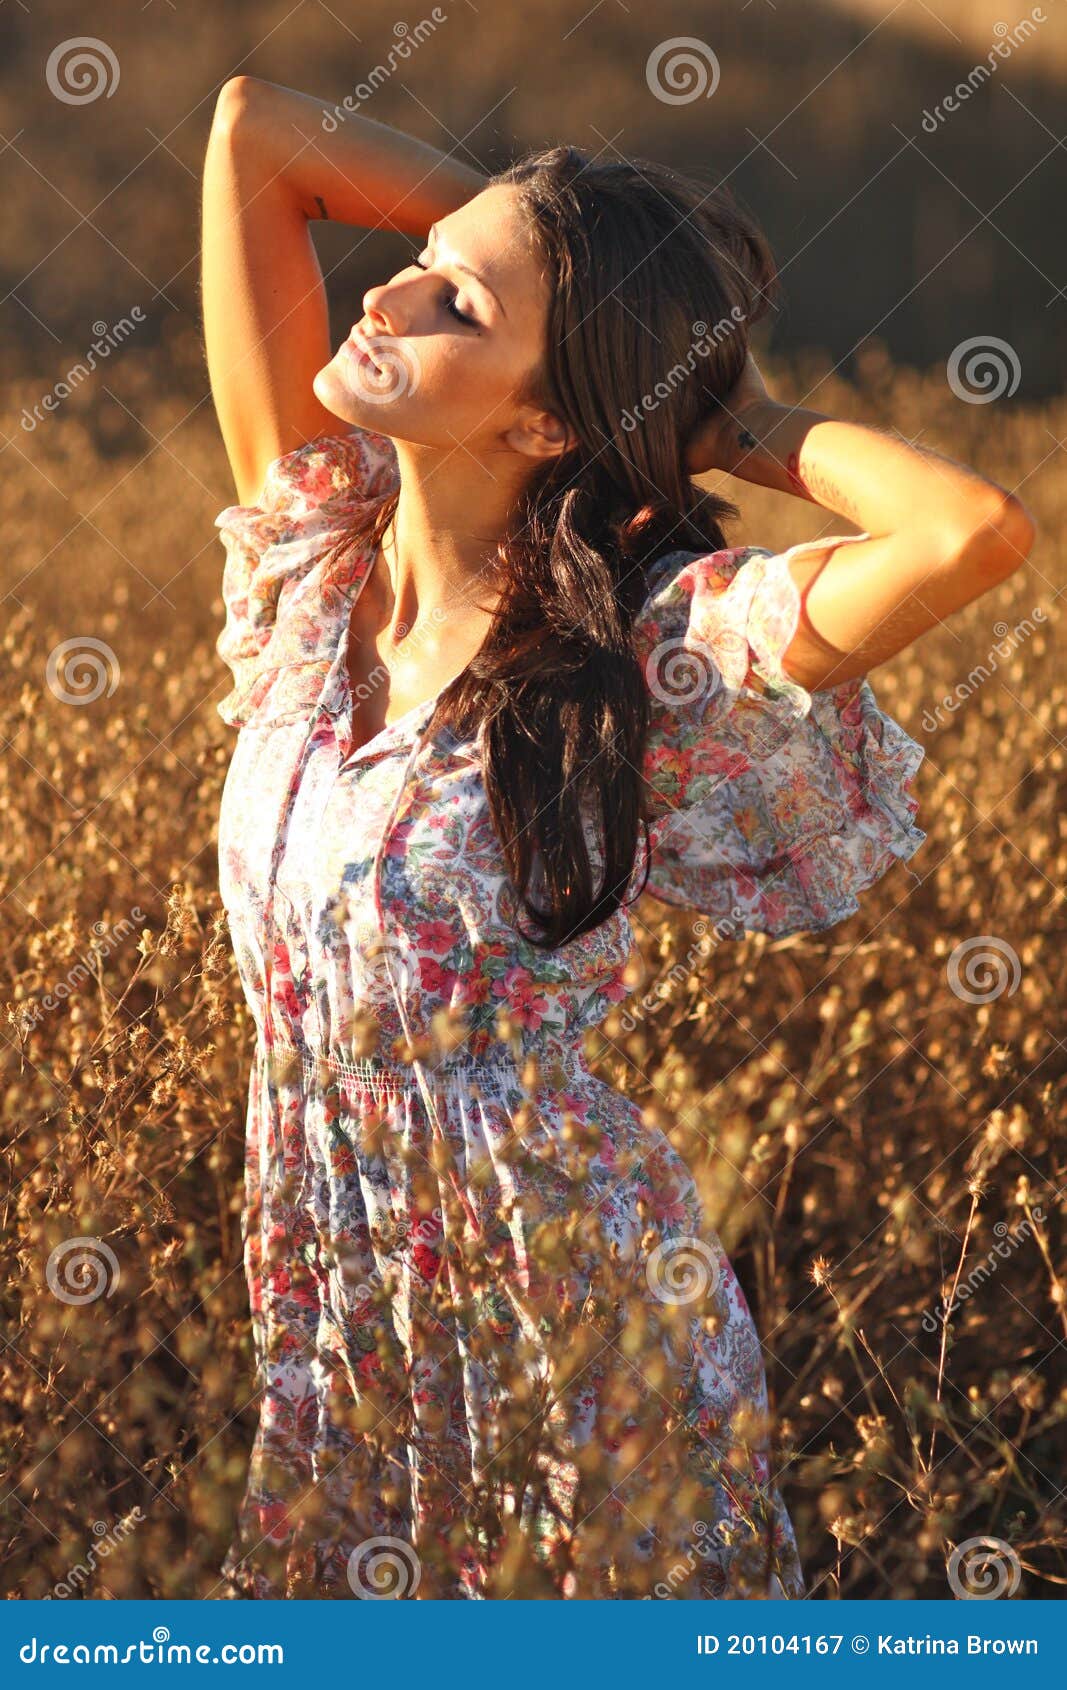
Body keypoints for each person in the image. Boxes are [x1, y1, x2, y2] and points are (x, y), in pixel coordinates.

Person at [201, 76, 1035, 1600]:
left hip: (576, 1335)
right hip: (336, 1321)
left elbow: (968, 530)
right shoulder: (311, 561)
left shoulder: (653, 655)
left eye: (447, 299)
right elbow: (258, 135)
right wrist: (543, 254)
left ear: (541, 413)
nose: (384, 288)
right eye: (420, 260)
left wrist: (717, 406)